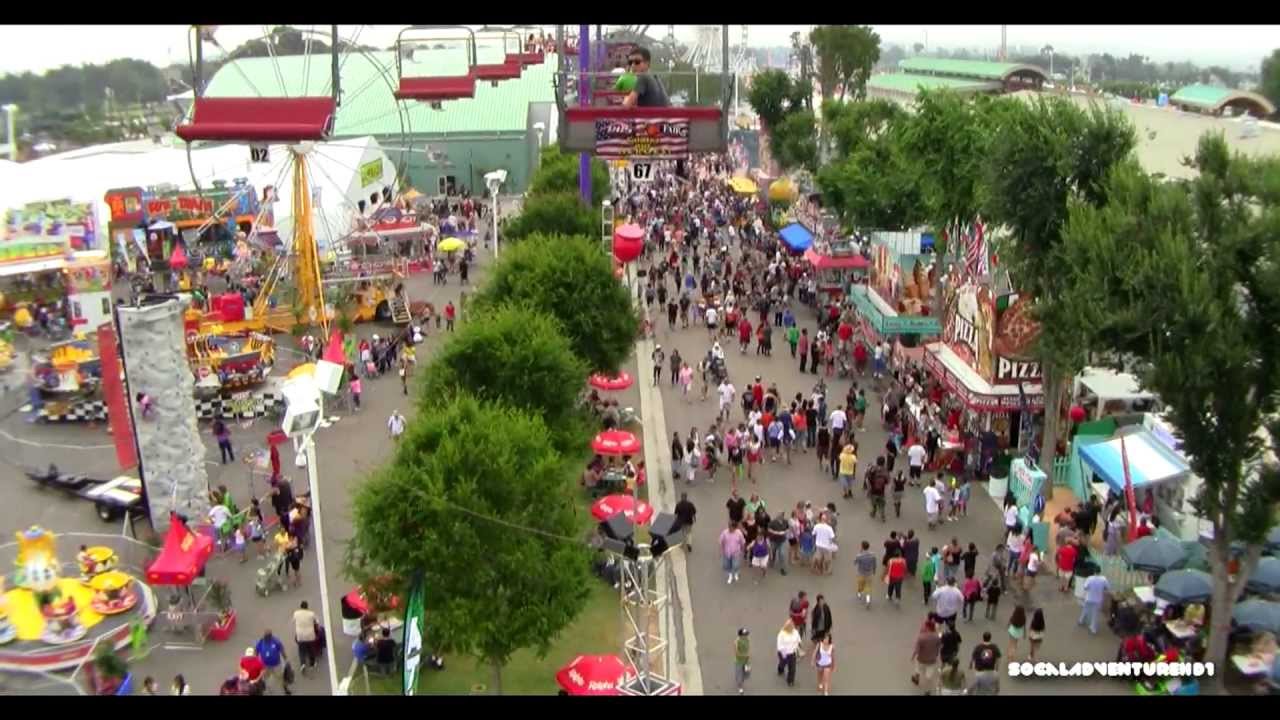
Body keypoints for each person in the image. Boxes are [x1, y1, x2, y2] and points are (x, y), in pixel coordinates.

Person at [911, 618, 942, 694]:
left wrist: (913, 656)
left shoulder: (921, 637)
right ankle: (927, 691)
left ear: (927, 627)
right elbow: (939, 647)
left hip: (921, 659)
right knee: (928, 677)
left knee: (918, 668)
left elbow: (917, 650)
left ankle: (916, 678)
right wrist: (936, 655)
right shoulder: (937, 637)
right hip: (932, 660)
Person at [293, 601, 319, 673]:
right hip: (310, 635)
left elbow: (294, 620)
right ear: (307, 607)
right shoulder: (311, 614)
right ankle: (312, 663)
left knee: (301, 650)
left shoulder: (296, 613)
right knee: (311, 649)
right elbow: (317, 622)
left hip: (300, 635)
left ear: (300, 606)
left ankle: (303, 663)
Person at [776, 619, 802, 688]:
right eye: (790, 626)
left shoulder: (795, 632)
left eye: (792, 626)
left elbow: (798, 640)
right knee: (782, 663)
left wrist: (799, 648)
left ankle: (790, 681)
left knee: (792, 668)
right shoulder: (782, 634)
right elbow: (779, 645)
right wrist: (783, 653)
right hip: (783, 653)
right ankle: (780, 669)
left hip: (792, 653)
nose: (792, 627)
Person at [720, 520, 745, 584]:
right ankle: (730, 575)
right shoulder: (725, 532)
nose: (729, 528)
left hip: (736, 553)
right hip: (727, 553)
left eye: (730, 527)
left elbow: (742, 542)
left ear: (734, 527)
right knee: (727, 565)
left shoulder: (739, 533)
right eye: (729, 526)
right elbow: (721, 541)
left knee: (735, 565)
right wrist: (722, 550)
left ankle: (736, 573)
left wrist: (742, 550)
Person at [854, 541, 877, 608]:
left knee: (860, 585)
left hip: (861, 574)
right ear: (868, 547)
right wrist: (874, 571)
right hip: (869, 574)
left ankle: (859, 593)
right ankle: (868, 601)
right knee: (868, 588)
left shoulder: (859, 556)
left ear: (862, 547)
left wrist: (860, 553)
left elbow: (855, 562)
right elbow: (874, 564)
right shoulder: (873, 555)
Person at [733, 627, 751, 694]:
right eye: (745, 634)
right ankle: (740, 687)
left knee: (747, 673)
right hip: (739, 661)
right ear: (741, 635)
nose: (746, 635)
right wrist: (745, 655)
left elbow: (748, 648)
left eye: (746, 634)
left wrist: (748, 655)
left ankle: (740, 680)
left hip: (746, 660)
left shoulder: (747, 640)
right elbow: (736, 653)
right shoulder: (736, 642)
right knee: (739, 675)